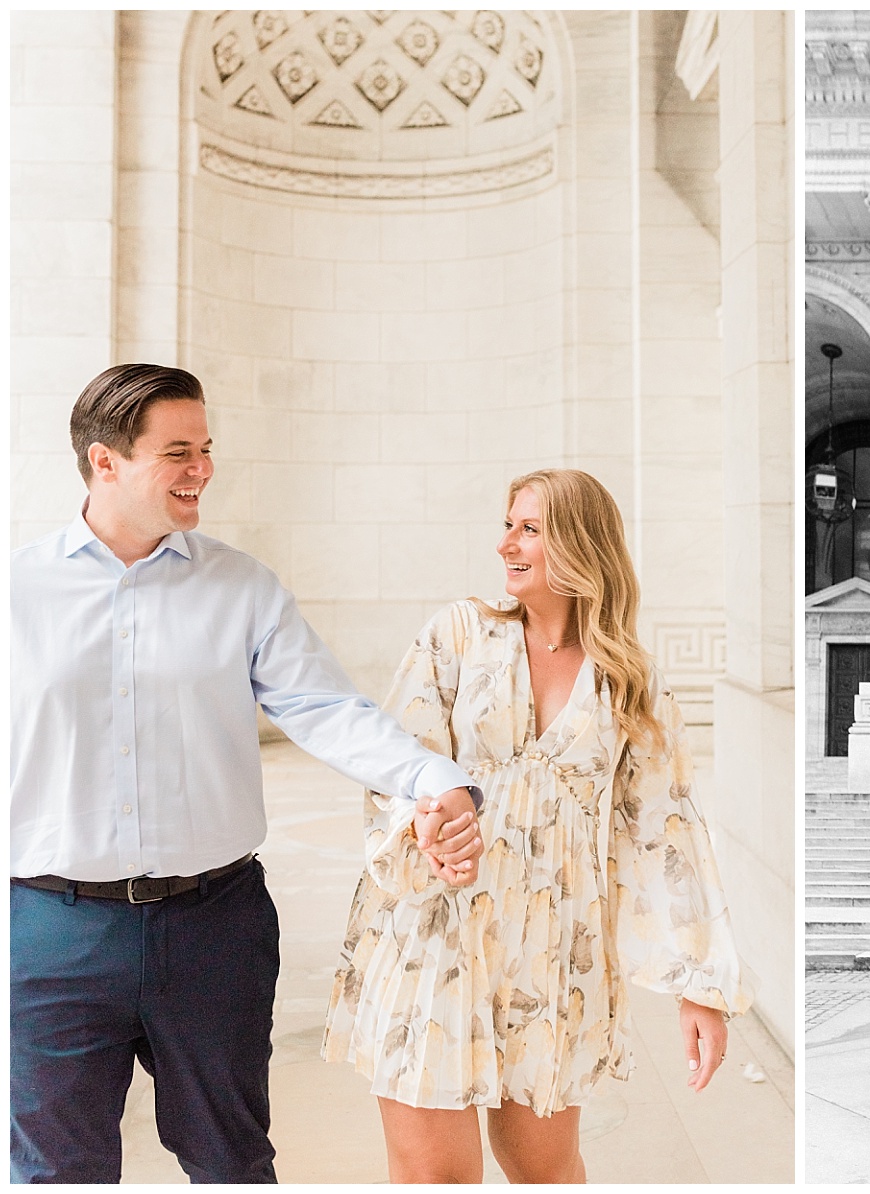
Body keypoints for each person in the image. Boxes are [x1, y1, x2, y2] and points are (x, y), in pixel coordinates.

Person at [10, 364, 486, 1183]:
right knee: (56, 1171)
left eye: (206, 447)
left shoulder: (240, 586)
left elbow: (326, 708)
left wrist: (434, 780)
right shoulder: (16, 592)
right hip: (50, 933)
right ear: (105, 462)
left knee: (232, 1160)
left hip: (213, 929)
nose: (203, 468)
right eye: (179, 451)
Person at [322, 468, 752, 1183]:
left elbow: (669, 831)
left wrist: (701, 984)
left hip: (555, 956)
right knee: (436, 1175)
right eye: (507, 523)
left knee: (543, 1169)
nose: (506, 544)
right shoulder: (459, 634)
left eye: (529, 528)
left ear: (582, 545)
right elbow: (393, 760)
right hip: (437, 933)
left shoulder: (629, 679)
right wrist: (424, 822)